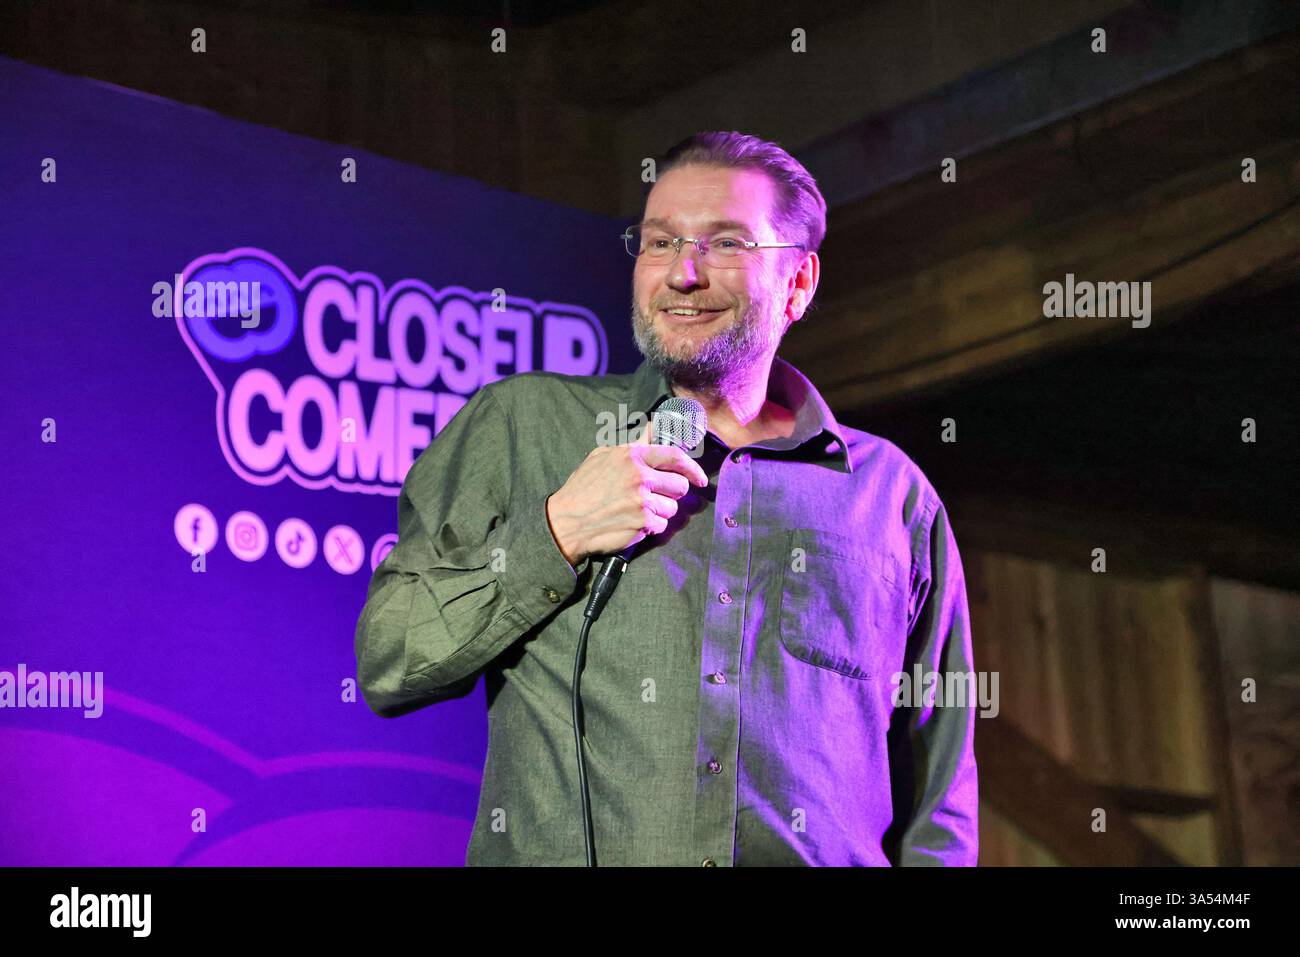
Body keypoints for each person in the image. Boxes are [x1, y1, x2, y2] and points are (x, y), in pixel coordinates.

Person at [354, 131, 978, 866]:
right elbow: (390, 657)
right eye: (660, 243)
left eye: (725, 244)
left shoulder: (890, 496)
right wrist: (556, 532)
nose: (683, 273)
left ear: (799, 283)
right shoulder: (524, 427)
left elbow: (938, 800)